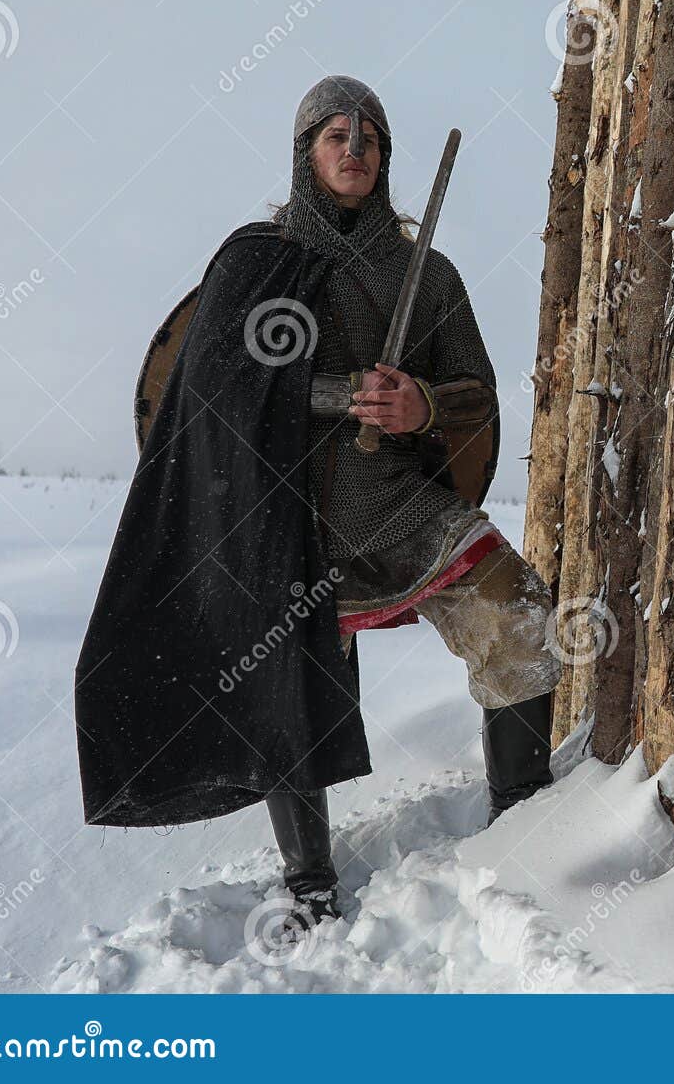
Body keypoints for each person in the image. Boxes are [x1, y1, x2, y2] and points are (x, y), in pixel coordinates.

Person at [75, 75, 561, 933]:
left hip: (398, 506)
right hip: (282, 522)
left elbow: (478, 395)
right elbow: (214, 390)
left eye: (369, 133)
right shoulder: (253, 260)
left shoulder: (428, 273)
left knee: (518, 609)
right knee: (283, 681)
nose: (354, 145)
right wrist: (338, 393)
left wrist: (421, 405)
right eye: (333, 133)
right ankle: (307, 878)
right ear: (305, 155)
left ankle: (523, 820)